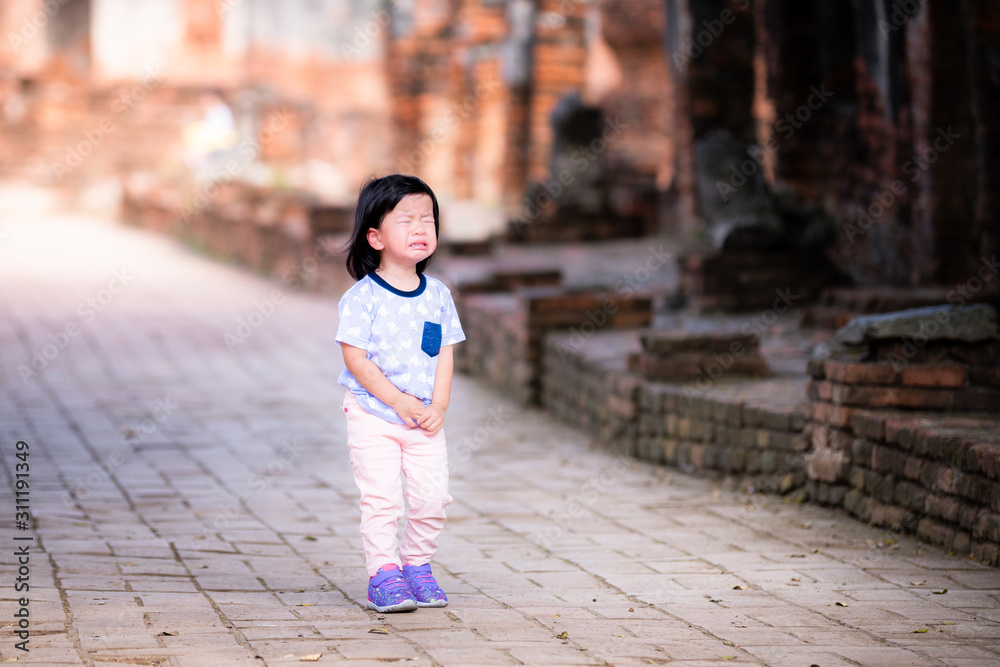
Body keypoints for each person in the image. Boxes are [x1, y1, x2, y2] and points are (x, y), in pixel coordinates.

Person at [335, 174, 465, 613]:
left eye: (427, 219)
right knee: (383, 498)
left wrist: (439, 405)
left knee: (433, 497)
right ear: (375, 237)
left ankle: (417, 565)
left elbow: (444, 354)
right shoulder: (362, 298)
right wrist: (396, 400)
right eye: (406, 220)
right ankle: (384, 573)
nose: (420, 228)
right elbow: (356, 360)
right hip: (373, 414)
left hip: (424, 419)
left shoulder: (439, 296)